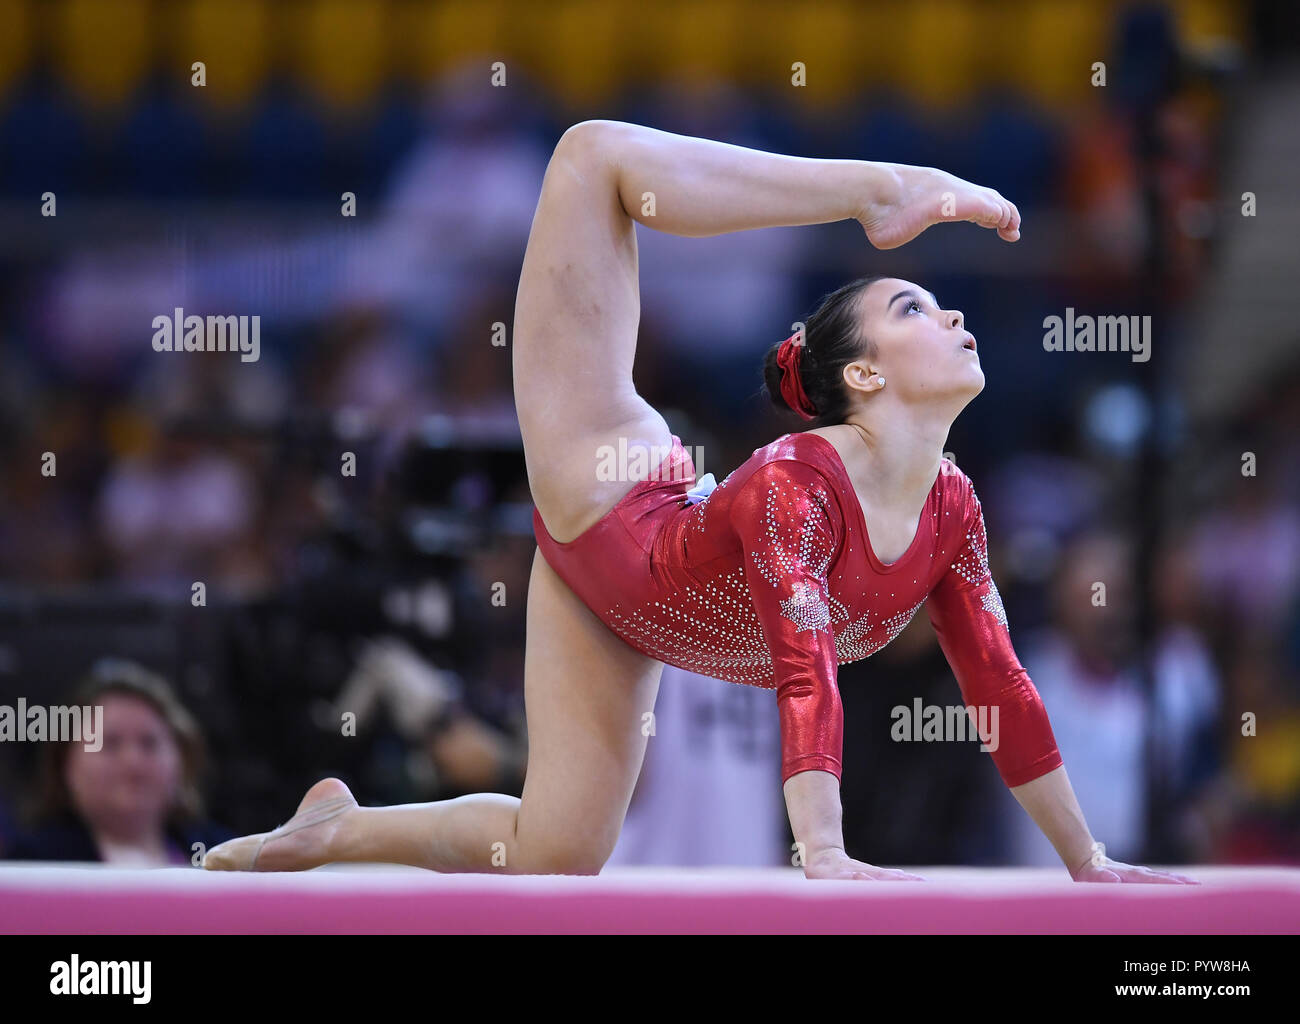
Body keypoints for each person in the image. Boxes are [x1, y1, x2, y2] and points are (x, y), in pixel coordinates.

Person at [205, 120, 1194, 883]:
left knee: (552, 855)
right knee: (590, 158)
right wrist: (821, 851)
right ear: (864, 378)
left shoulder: (954, 509)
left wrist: (1087, 858)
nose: (955, 313)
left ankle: (337, 825)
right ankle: (873, 188)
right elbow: (808, 671)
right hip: (606, 484)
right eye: (914, 309)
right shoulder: (793, 483)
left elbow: (1001, 689)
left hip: (623, 610)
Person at [5, 658, 233, 865]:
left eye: (149, 743)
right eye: (110, 744)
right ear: (65, 762)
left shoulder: (225, 854)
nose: (132, 762)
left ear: (181, 758)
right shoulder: (30, 864)